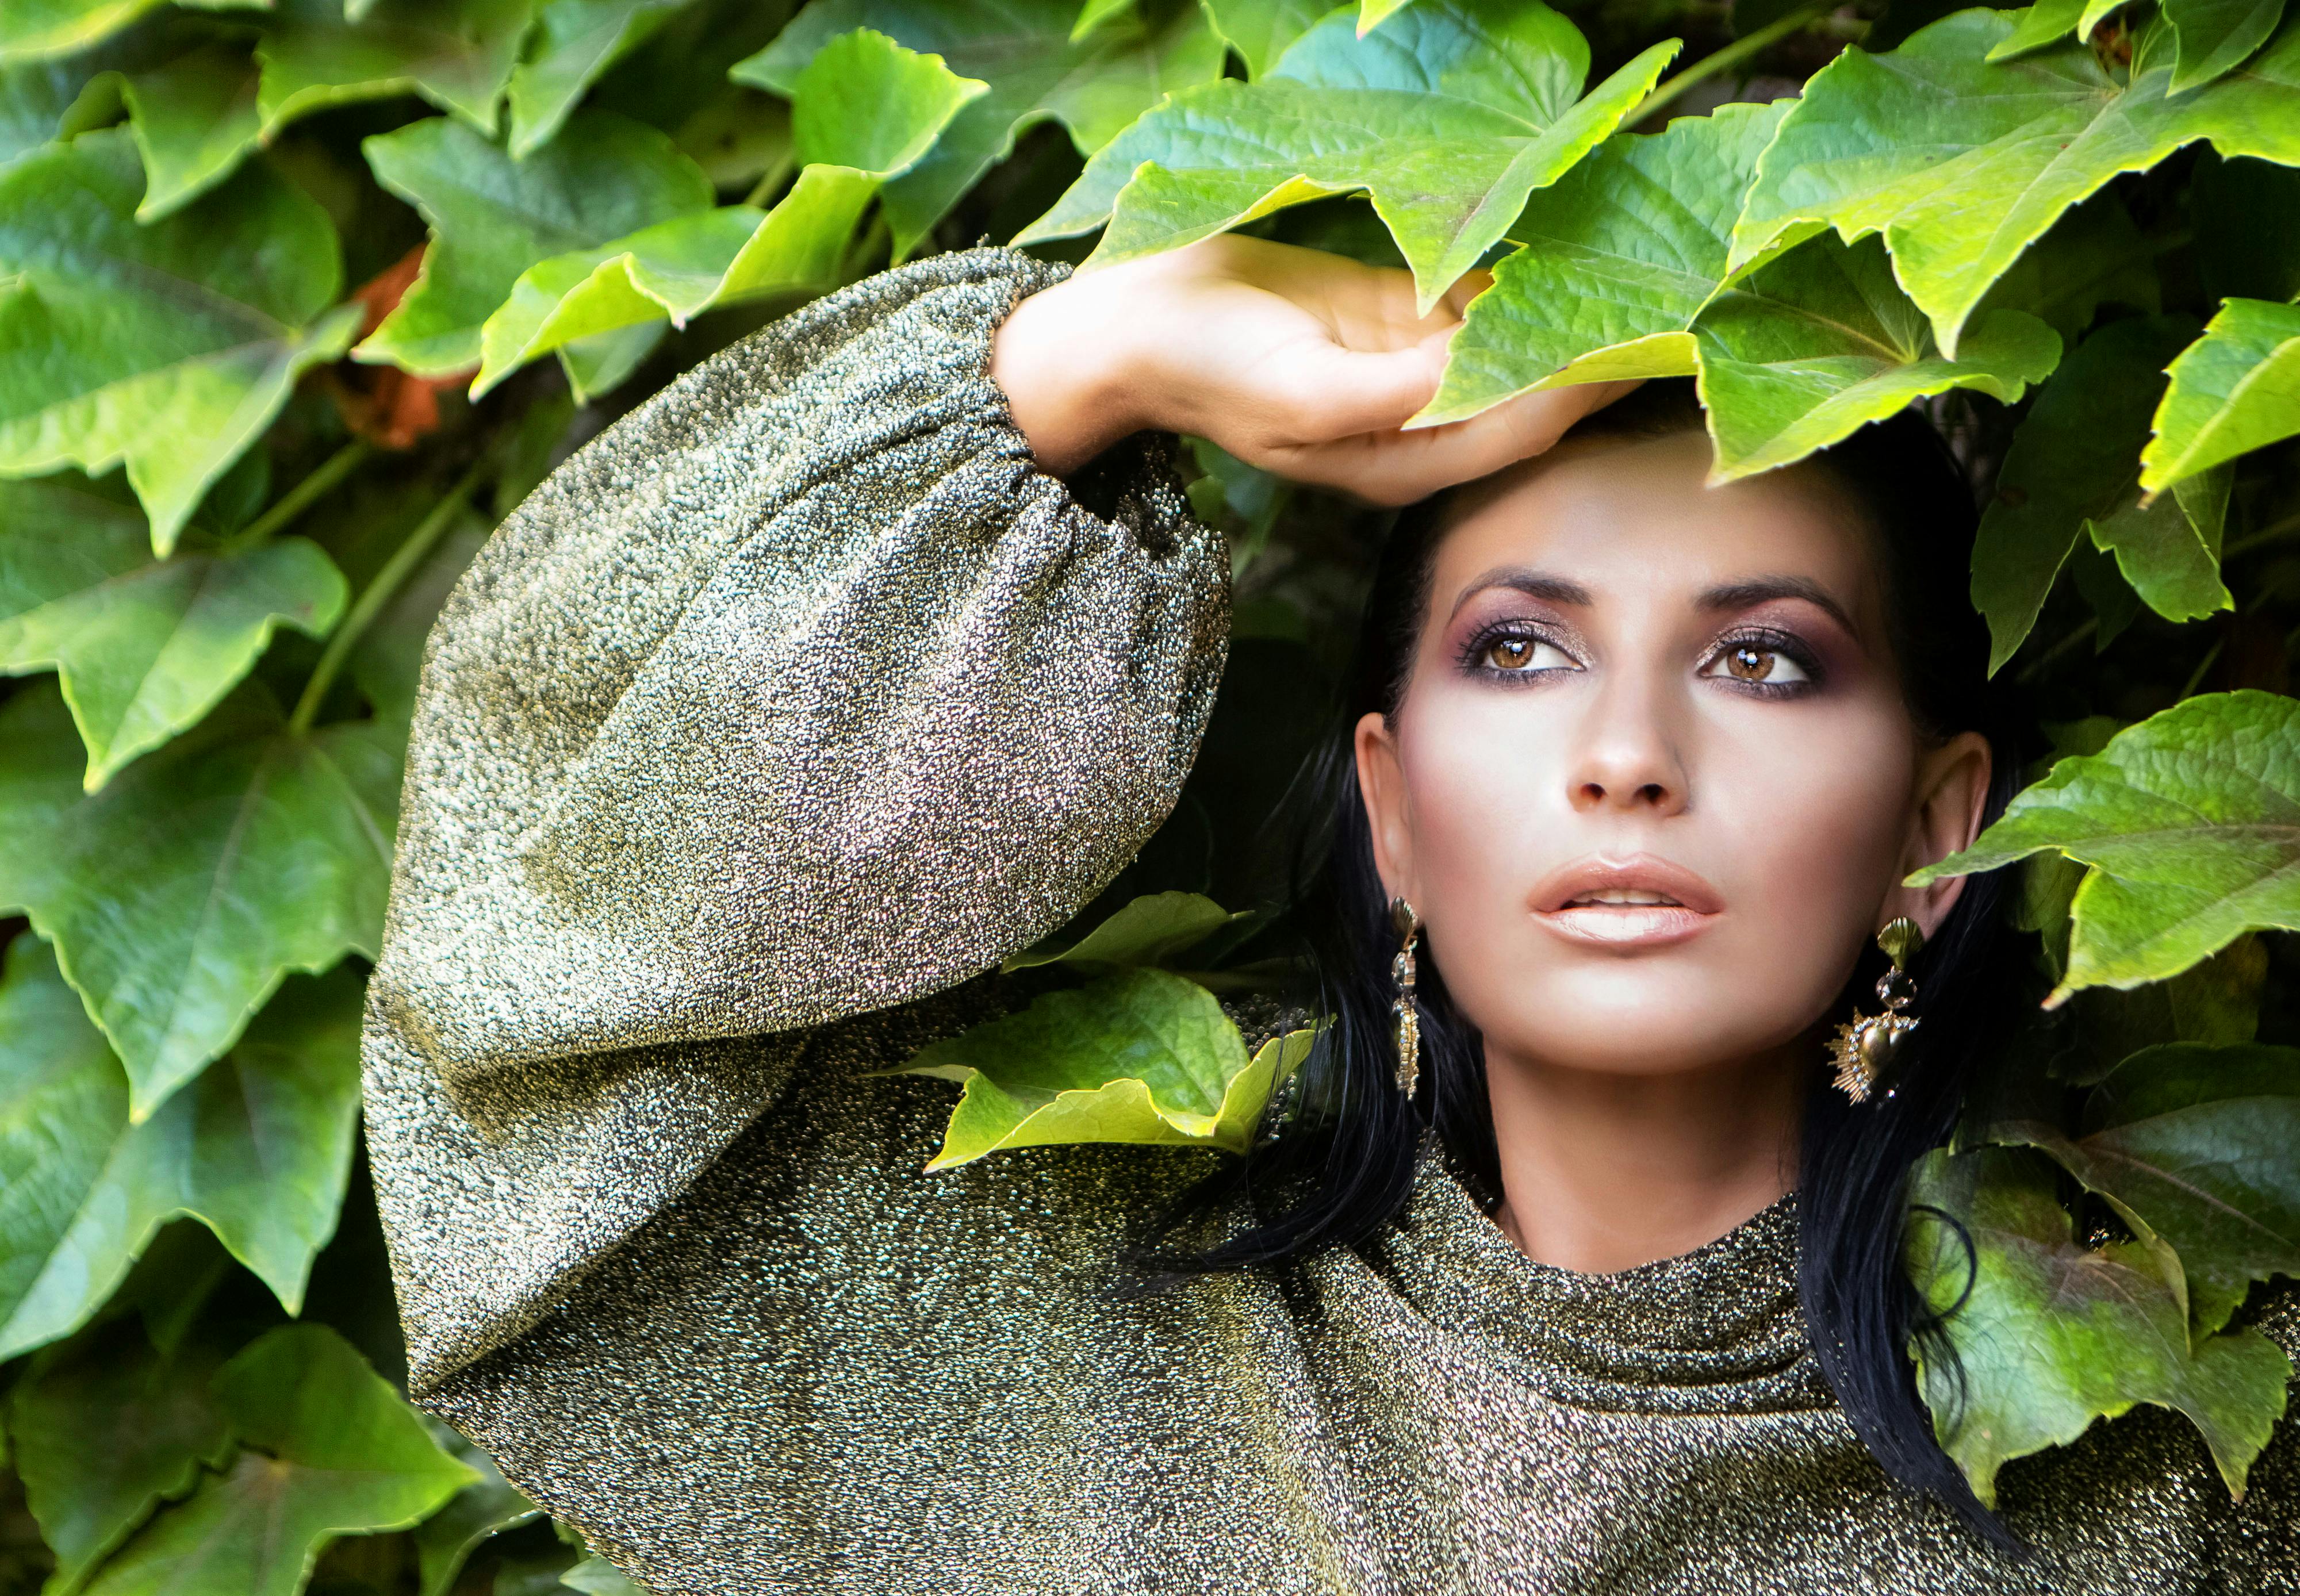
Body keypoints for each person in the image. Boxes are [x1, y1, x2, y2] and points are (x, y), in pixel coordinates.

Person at [361, 237, 2299, 1594]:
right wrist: (1089, 357)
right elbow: (519, 934)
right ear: (1392, 802)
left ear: (1933, 832)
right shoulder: (1053, 1373)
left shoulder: (2179, 1473)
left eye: (1768, 666)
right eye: (1523, 649)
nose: (1626, 755)